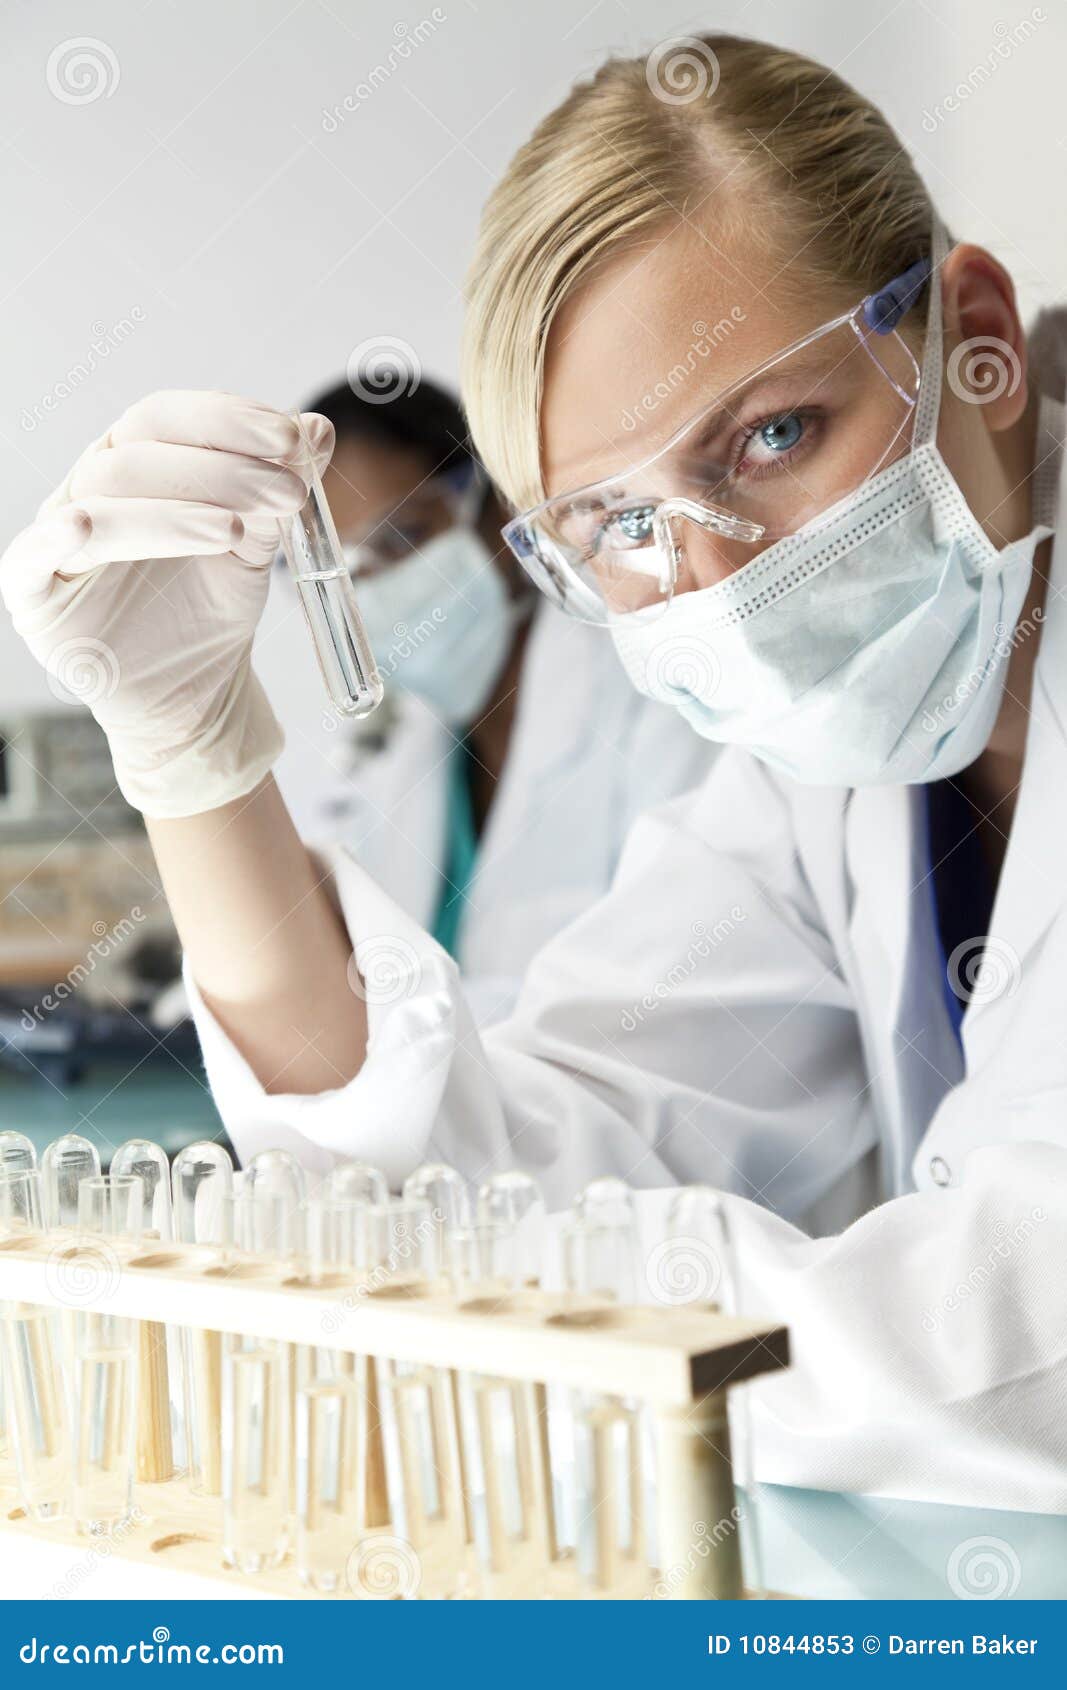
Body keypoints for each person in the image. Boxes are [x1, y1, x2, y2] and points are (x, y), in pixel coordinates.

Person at [3, 34, 1065, 1511]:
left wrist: (528, 1325)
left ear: (973, 337)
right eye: (616, 524)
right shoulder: (817, 769)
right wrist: (192, 758)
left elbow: (1020, 1346)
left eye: (772, 432)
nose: (713, 584)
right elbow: (487, 1179)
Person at [276, 375, 714, 1023]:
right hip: (447, 1112)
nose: (379, 592)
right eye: (343, 577)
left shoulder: (653, 689)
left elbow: (679, 977)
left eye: (400, 539)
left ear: (497, 507)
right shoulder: (386, 754)